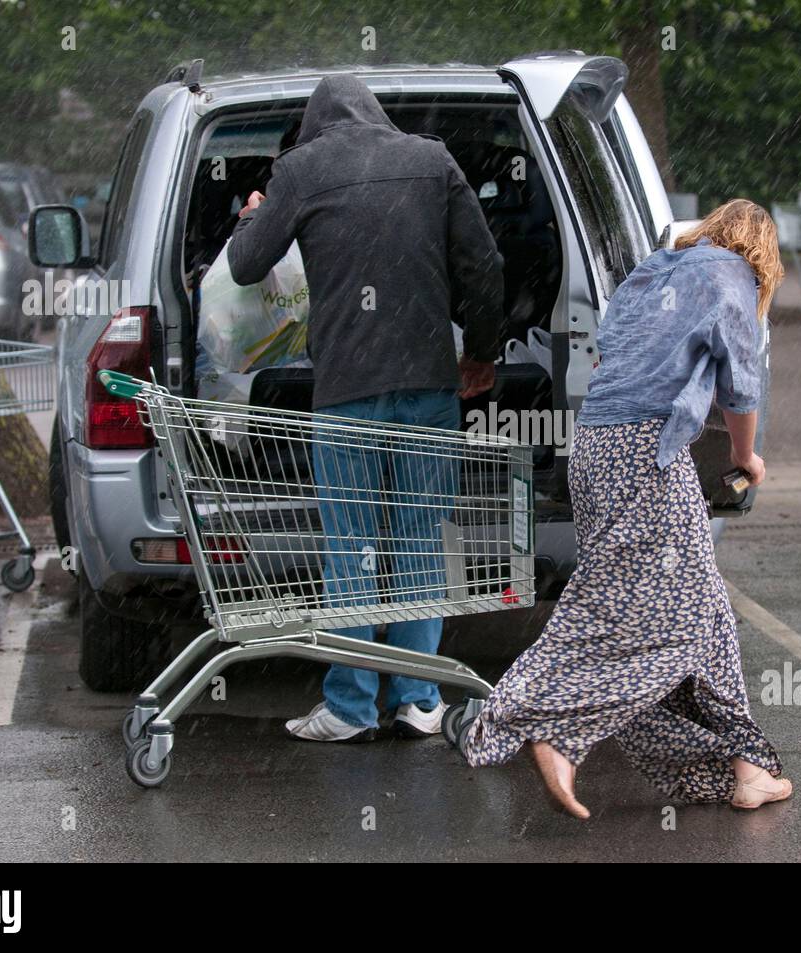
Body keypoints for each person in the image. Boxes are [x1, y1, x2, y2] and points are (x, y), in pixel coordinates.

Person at [460, 198, 791, 816]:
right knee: (619, 606)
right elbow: (740, 384)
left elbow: (612, 350)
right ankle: (550, 726)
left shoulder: (654, 267)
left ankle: (747, 768)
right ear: (760, 253)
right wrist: (748, 458)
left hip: (593, 445)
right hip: (646, 453)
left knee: (705, 611)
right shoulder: (733, 277)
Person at [227, 73, 503, 743]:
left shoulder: (302, 168)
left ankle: (350, 708)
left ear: (318, 124)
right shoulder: (431, 160)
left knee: (351, 545)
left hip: (347, 389)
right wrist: (484, 352)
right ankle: (418, 698)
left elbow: (243, 264)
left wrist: (253, 216)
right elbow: (485, 264)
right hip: (430, 382)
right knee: (417, 541)